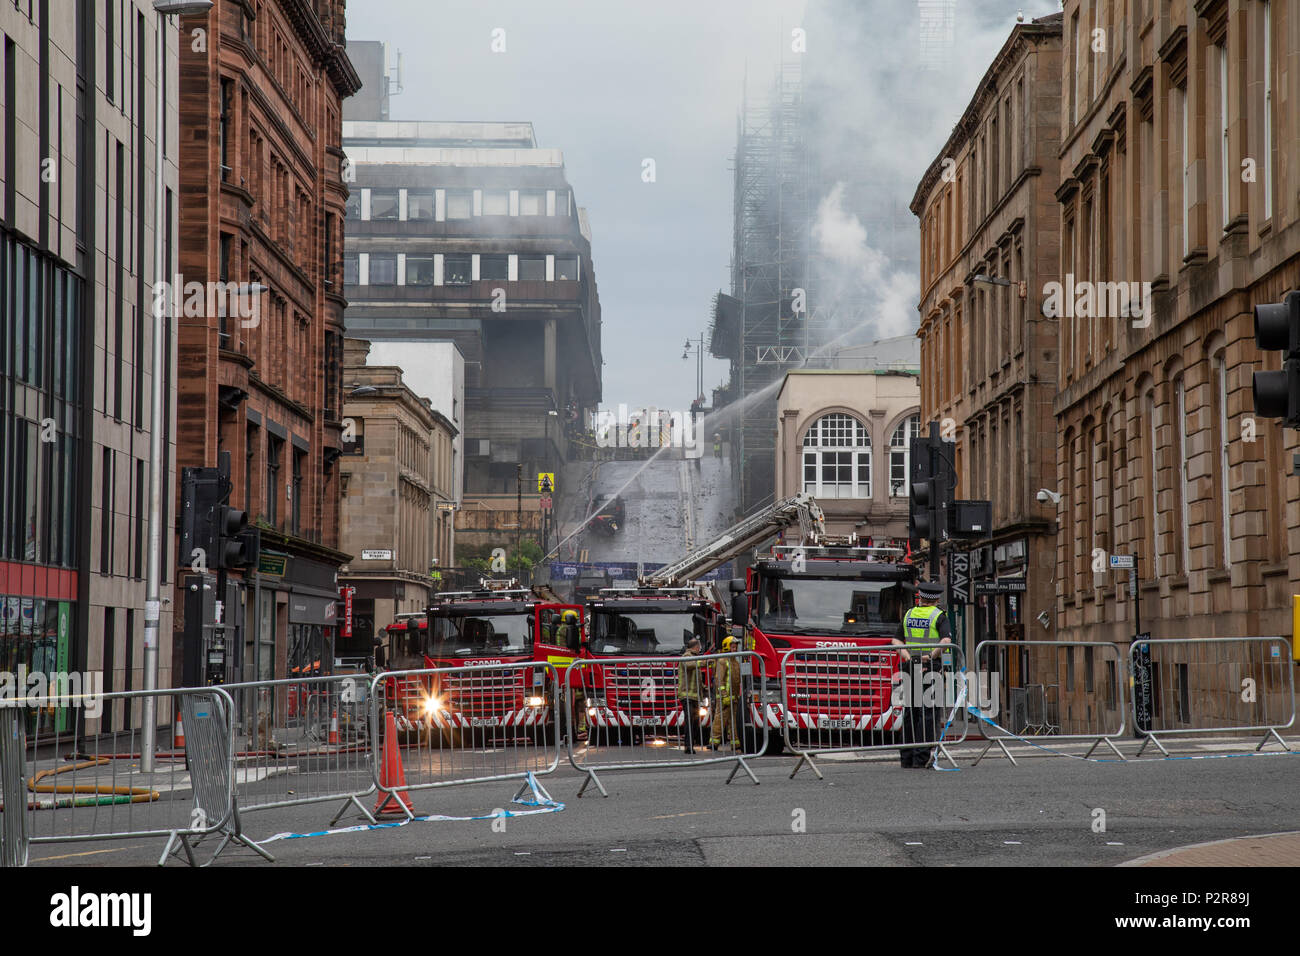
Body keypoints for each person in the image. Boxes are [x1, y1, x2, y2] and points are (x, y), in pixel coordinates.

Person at [892, 579, 952, 769]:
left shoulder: (909, 613)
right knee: (927, 714)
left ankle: (907, 758)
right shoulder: (939, 616)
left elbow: (896, 640)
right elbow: (946, 641)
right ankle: (921, 757)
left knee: (910, 712)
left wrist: (908, 657)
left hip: (910, 667)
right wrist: (930, 656)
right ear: (936, 599)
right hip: (930, 669)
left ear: (921, 597)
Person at [710, 636, 742, 750]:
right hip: (724, 697)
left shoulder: (735, 662)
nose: (735, 648)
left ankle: (735, 743)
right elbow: (719, 680)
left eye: (735, 646)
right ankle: (714, 743)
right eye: (732, 646)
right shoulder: (723, 661)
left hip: (734, 697)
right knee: (720, 719)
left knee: (733, 721)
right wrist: (724, 695)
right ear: (727, 647)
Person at [676, 637, 706, 754]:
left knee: (694, 721)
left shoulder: (694, 658)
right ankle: (688, 746)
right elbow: (690, 665)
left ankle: (691, 744)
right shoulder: (687, 657)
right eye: (699, 647)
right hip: (686, 695)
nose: (700, 649)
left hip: (694, 696)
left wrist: (704, 688)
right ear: (696, 647)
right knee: (690, 720)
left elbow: (696, 679)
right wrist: (705, 661)